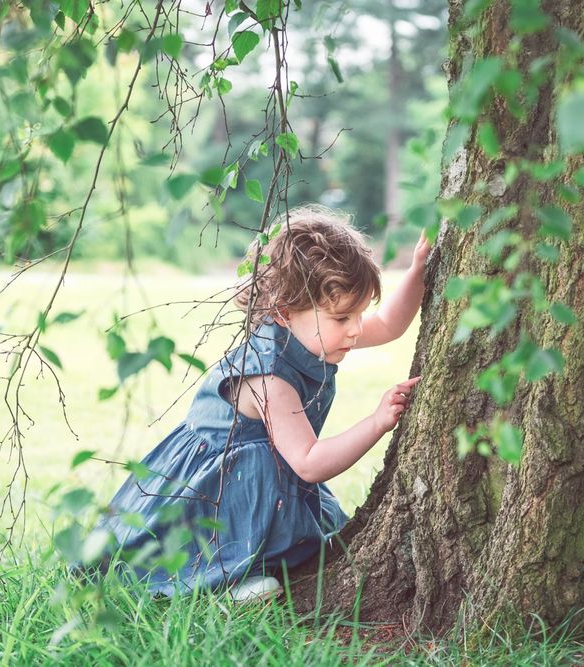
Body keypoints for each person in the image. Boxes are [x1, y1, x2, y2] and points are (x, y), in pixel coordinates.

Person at [96, 205, 430, 602]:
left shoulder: (311, 329)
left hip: (261, 475)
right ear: (284, 313)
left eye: (359, 314)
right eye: (343, 318)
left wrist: (418, 272)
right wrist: (376, 422)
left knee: (274, 479)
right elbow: (308, 463)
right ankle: (230, 579)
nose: (356, 330)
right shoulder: (270, 378)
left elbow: (388, 324)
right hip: (217, 488)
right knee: (256, 468)